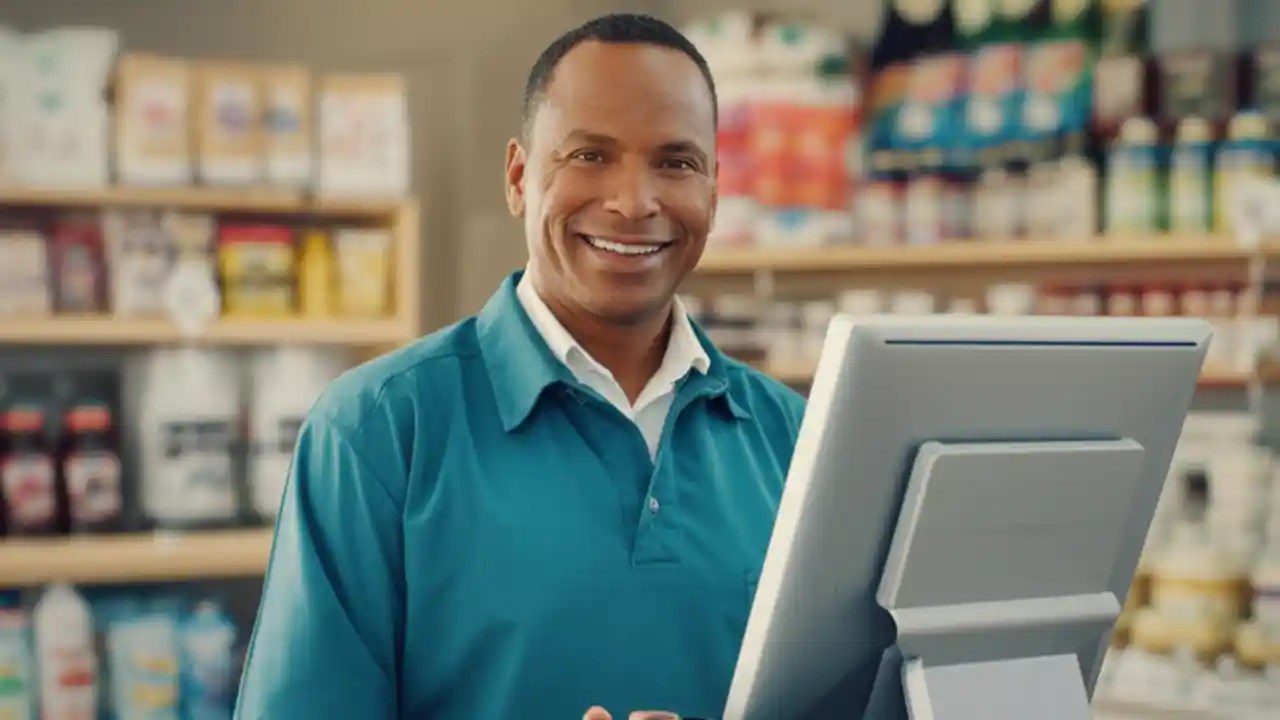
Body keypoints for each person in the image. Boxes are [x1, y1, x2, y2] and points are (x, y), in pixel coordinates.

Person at [234, 13, 805, 720]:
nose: (633, 202)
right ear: (517, 177)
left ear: (715, 192)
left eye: (675, 162)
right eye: (590, 156)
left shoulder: (798, 441)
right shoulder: (377, 432)